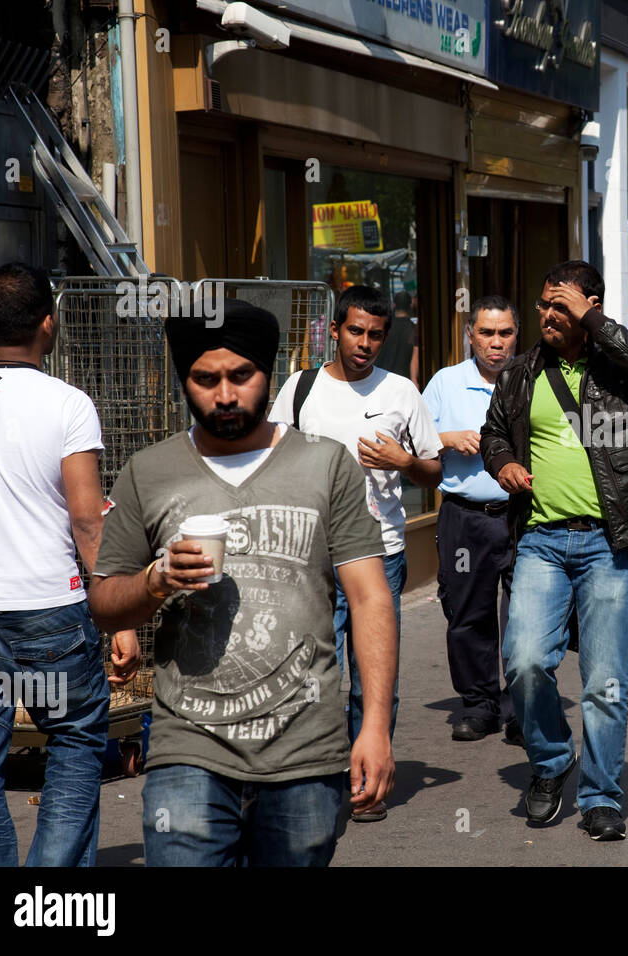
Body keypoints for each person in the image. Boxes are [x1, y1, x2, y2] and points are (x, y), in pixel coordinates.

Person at [90, 301, 397, 866]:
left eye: (241, 376)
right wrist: (155, 581)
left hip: (306, 753)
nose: (225, 395)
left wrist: (375, 727)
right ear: (185, 380)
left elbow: (371, 597)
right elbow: (106, 605)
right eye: (205, 380)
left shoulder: (326, 466)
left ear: (268, 375)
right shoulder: (149, 472)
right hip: (188, 751)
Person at [480, 260, 628, 841]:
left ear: (588, 306)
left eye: (560, 306)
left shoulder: (618, 369)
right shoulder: (519, 373)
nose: (546, 315)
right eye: (543, 305)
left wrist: (595, 321)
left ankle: (601, 794)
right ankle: (551, 760)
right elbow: (492, 432)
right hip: (540, 538)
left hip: (607, 543)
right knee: (524, 659)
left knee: (605, 680)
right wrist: (503, 462)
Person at [0, 262, 140, 867]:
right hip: (49, 609)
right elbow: (89, 520)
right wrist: (119, 617)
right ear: (49, 323)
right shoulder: (68, 404)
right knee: (74, 740)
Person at [268, 285, 440, 822]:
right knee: (314, 673)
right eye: (356, 331)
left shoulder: (401, 393)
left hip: (380, 552)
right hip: (312, 557)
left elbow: (434, 470)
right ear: (335, 331)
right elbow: (270, 458)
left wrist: (403, 459)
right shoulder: (300, 389)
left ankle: (368, 781)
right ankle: (318, 777)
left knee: (372, 676)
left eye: (375, 335)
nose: (365, 343)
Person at [422, 295, 521, 744]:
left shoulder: (531, 379)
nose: (495, 343)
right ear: (470, 335)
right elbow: (413, 441)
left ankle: (524, 708)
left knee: (528, 614)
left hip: (524, 515)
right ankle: (480, 705)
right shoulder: (446, 382)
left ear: (516, 335)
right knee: (467, 614)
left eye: (505, 333)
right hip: (465, 518)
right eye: (486, 333)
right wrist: (447, 437)